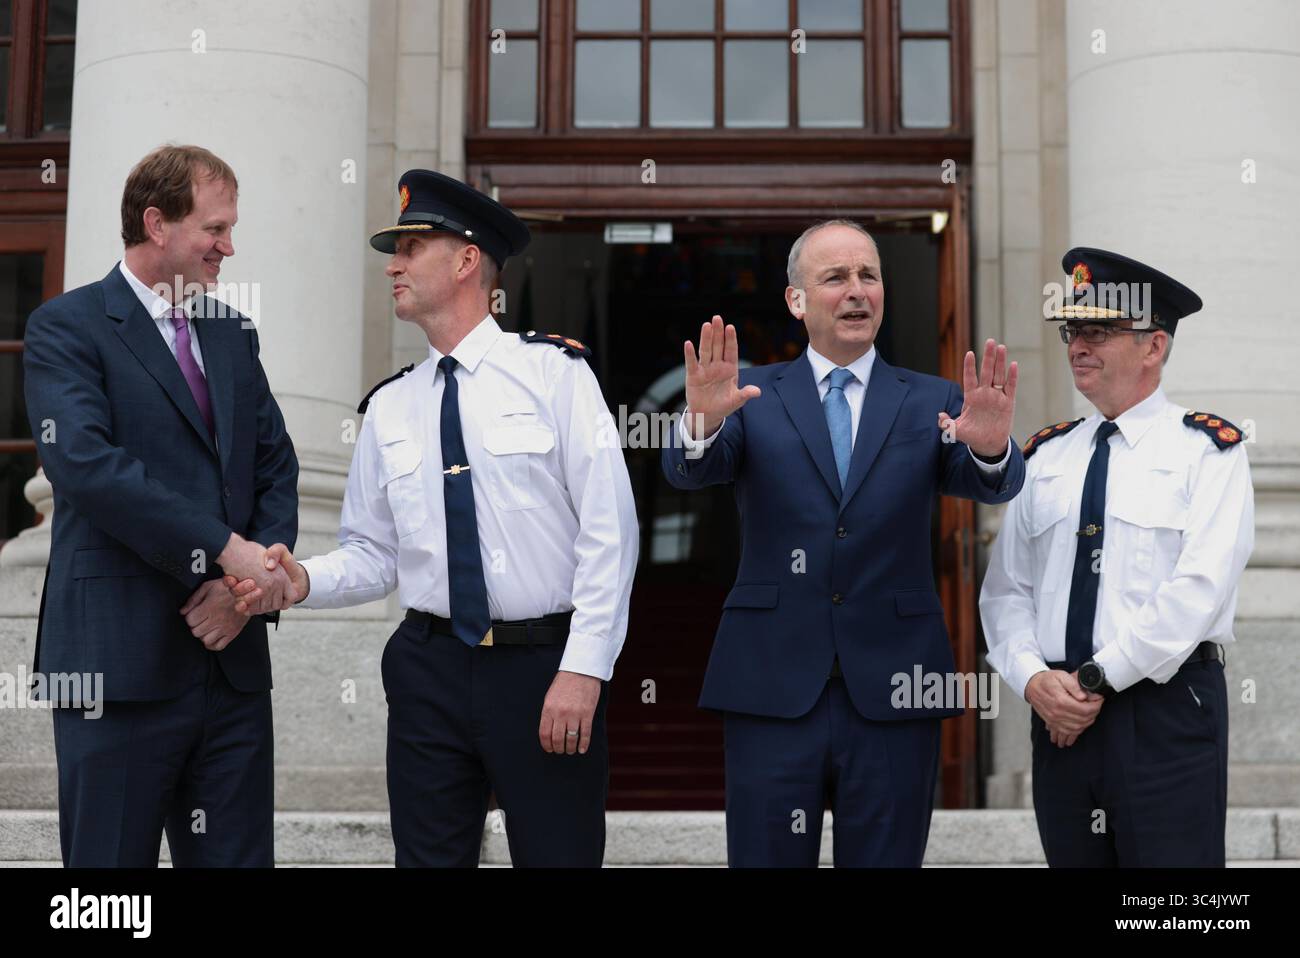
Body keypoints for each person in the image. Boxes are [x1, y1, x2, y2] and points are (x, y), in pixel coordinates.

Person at [230, 169, 639, 867]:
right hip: (429, 667)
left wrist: (584, 669)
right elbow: (373, 552)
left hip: (541, 664)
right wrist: (302, 581)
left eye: (412, 246)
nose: (393, 265)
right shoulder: (390, 406)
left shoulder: (556, 376)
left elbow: (611, 534)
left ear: (467, 258)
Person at [660, 219, 1025, 866]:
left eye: (869, 275)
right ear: (797, 301)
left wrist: (992, 447)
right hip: (771, 685)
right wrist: (700, 424)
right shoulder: (751, 395)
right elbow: (692, 472)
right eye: (835, 278)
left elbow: (988, 486)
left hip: (894, 686)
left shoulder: (933, 400)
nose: (857, 291)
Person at [22, 144, 300, 867]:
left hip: (231, 668)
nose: (227, 247)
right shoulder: (67, 327)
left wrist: (247, 590)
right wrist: (223, 549)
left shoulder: (233, 335)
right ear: (157, 223)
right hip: (116, 667)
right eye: (214, 229)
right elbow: (86, 467)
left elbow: (276, 467)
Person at [980, 247, 1254, 867]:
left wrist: (1094, 680)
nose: (1078, 345)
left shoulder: (1209, 453)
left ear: (1154, 346)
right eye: (1072, 330)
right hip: (1059, 717)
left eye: (1098, 331)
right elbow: (1004, 592)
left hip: (1163, 711)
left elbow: (1197, 590)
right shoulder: (1044, 456)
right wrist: (1032, 680)